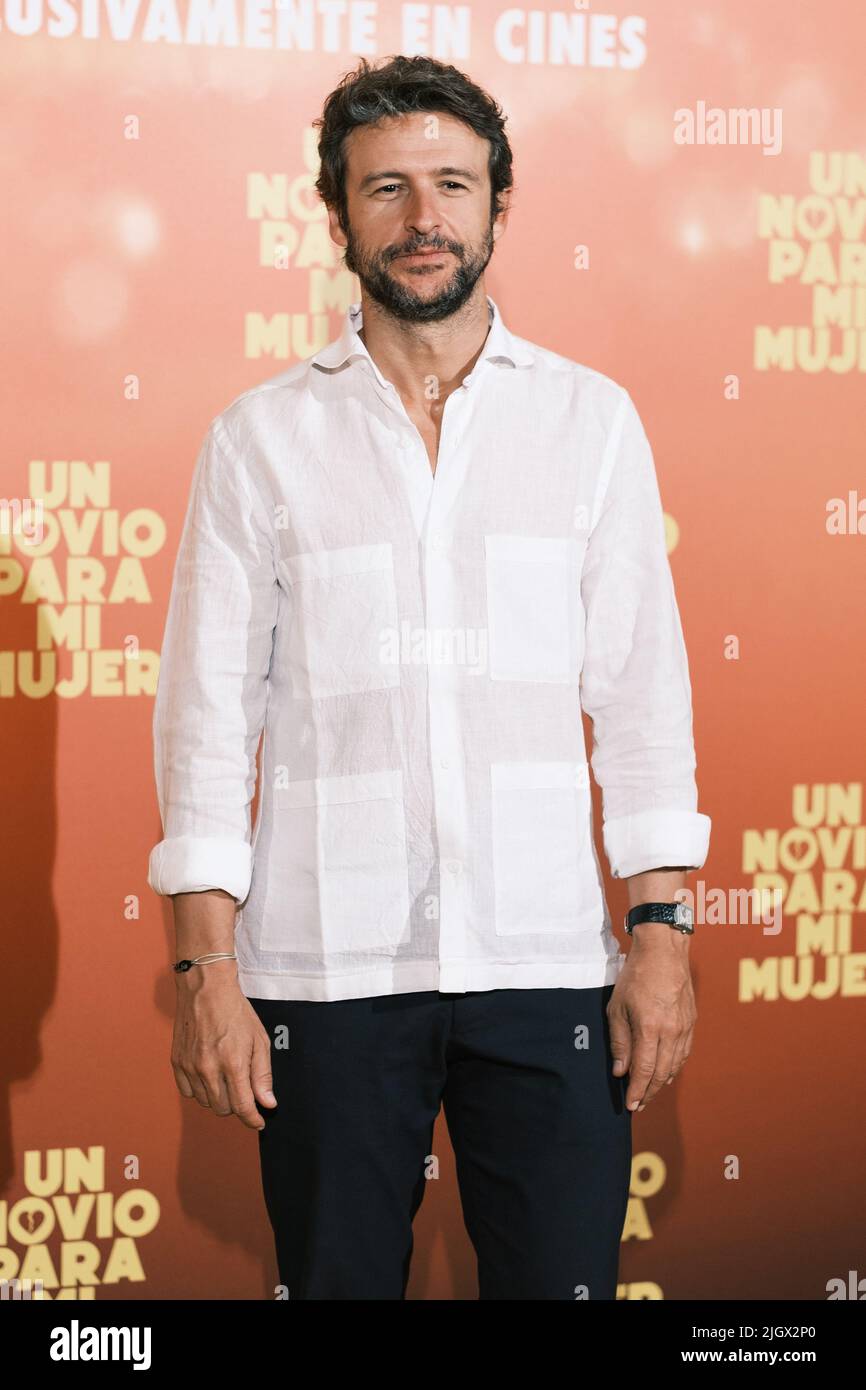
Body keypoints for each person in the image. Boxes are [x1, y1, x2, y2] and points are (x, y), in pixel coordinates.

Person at [147, 54, 711, 1301]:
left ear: (497, 207)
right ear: (336, 211)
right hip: (328, 969)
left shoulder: (589, 422)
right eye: (386, 188)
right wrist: (206, 974)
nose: (422, 219)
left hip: (548, 962)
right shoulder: (259, 441)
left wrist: (659, 937)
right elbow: (203, 727)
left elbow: (641, 702)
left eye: (452, 184)